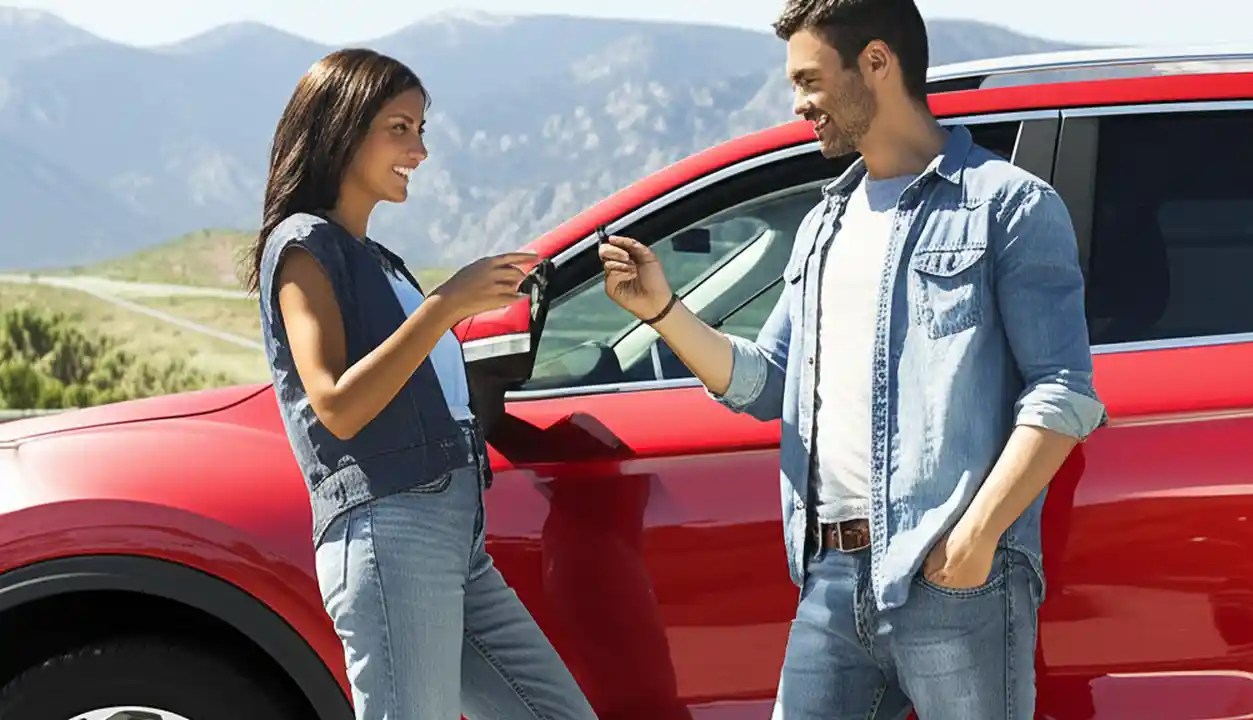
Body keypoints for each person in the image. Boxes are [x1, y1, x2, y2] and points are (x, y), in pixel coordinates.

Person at [598, 0, 1106, 717]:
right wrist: (662, 311)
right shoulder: (822, 226)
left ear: (875, 62)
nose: (799, 104)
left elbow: (1061, 392)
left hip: (952, 576)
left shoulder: (1007, 206)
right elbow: (769, 382)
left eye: (809, 80)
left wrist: (973, 541)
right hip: (831, 577)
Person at [244, 48, 597, 720]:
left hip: (455, 539)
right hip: (391, 534)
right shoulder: (303, 246)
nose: (420, 151)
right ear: (342, 128)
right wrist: (446, 306)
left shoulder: (377, 260)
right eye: (399, 129)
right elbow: (336, 405)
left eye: (421, 130)